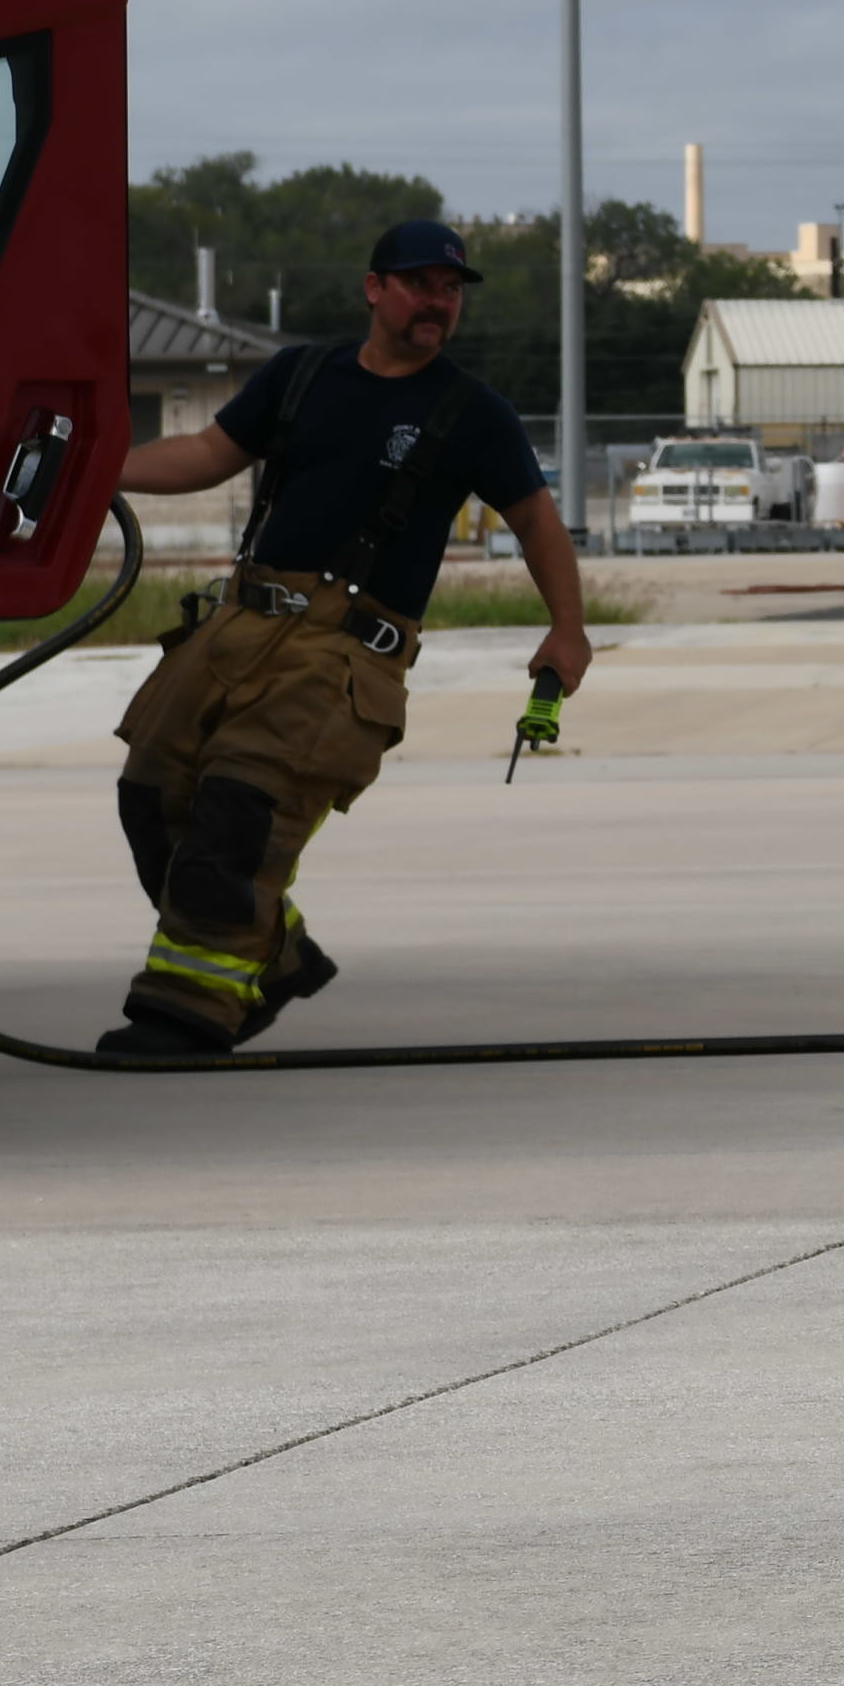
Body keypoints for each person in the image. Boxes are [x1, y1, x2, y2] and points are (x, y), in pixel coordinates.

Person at [93, 217, 593, 1056]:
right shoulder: (301, 375)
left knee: (240, 816)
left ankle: (186, 1013)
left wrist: (568, 630)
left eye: (450, 291)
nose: (438, 303)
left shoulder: (473, 413)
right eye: (421, 285)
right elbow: (207, 453)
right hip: (238, 625)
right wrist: (96, 471)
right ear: (375, 289)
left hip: (343, 653)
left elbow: (536, 521)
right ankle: (275, 957)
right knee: (149, 796)